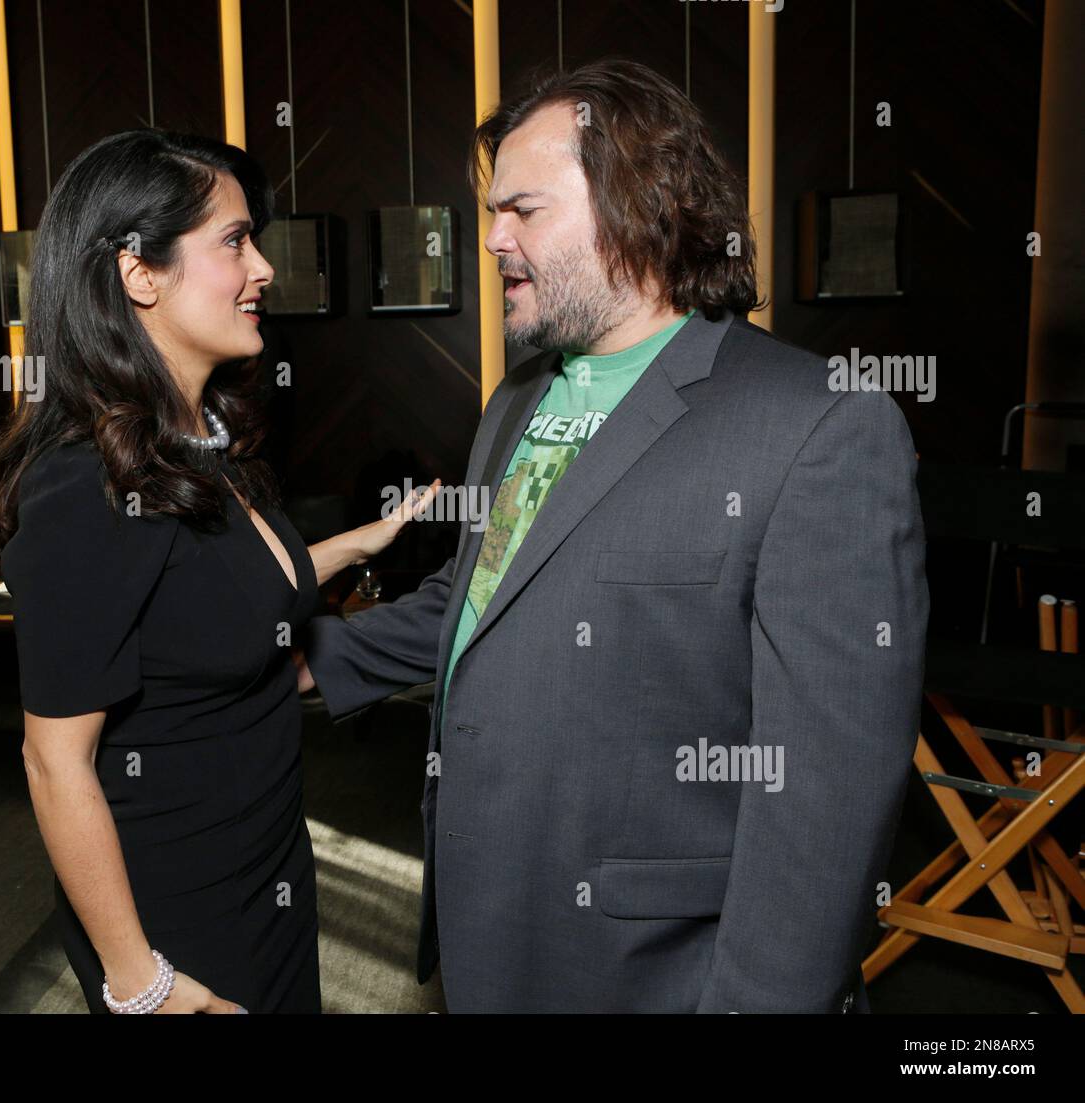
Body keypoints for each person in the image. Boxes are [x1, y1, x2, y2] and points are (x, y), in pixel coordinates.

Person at [298, 59, 929, 1012]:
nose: (494, 239)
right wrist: (319, 658)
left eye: (524, 211)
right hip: (493, 924)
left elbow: (826, 798)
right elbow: (488, 593)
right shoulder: (516, 397)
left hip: (659, 968)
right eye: (492, 213)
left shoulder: (819, 425)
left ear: (641, 206)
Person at [0, 129, 434, 1014]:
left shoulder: (204, 444)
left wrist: (351, 545)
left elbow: (208, 598)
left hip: (266, 866)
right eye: (234, 241)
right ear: (138, 274)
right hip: (178, 911)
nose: (263, 267)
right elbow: (53, 761)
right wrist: (139, 980)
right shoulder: (88, 480)